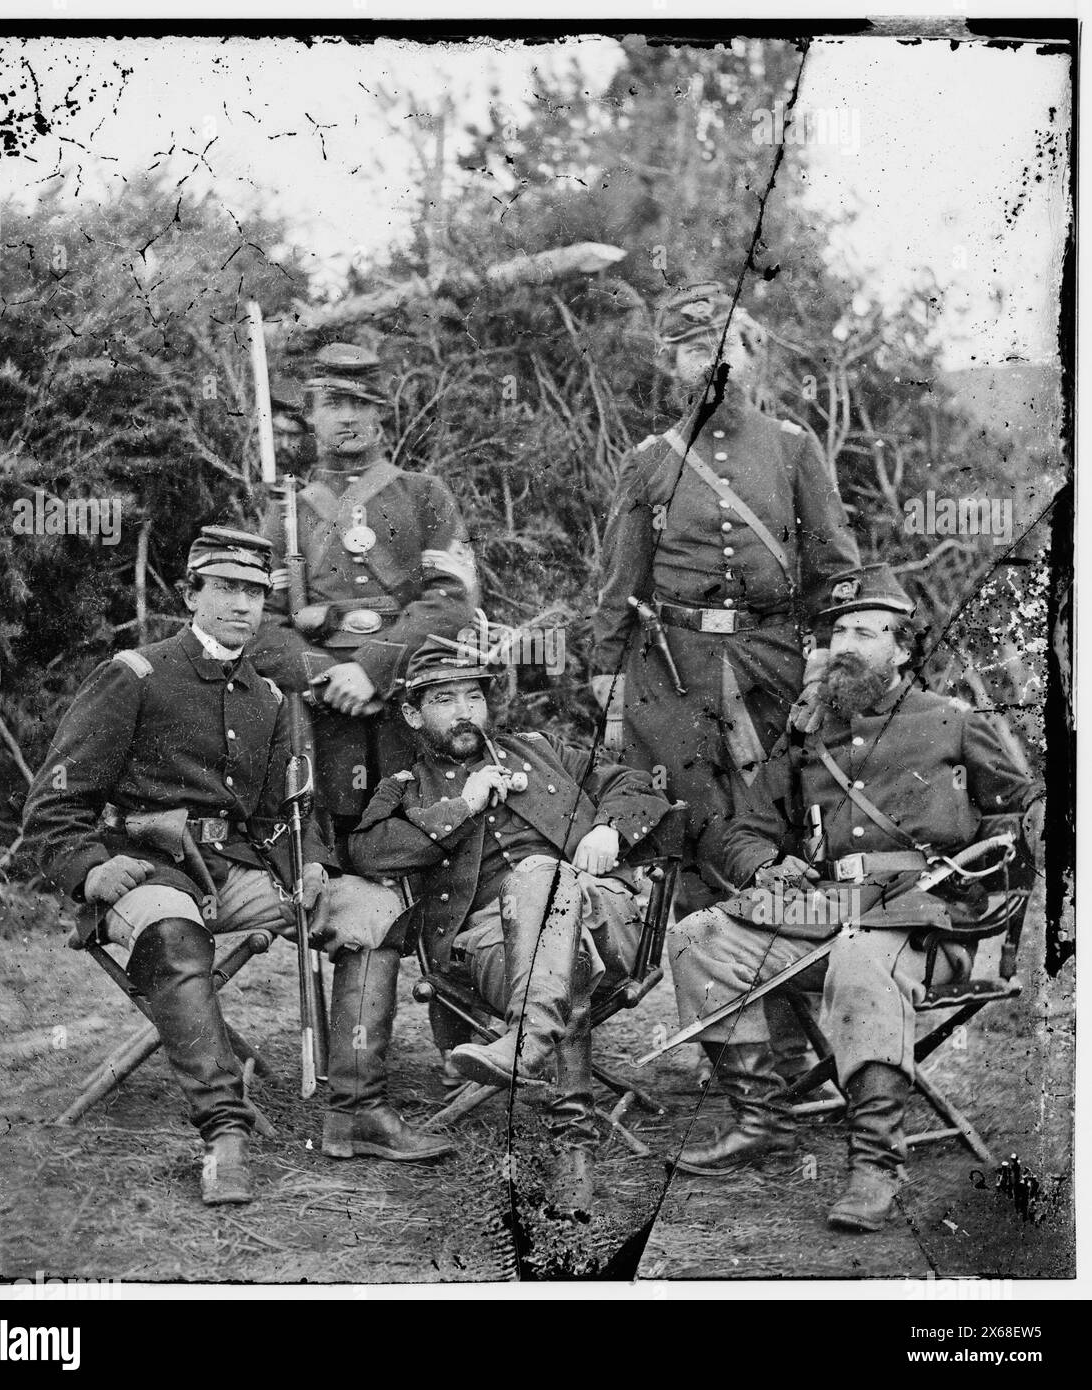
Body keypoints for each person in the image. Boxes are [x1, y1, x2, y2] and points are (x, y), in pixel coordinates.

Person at [663, 563, 1045, 1232]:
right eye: (837, 631)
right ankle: (763, 1119)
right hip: (826, 913)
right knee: (698, 936)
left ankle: (875, 1163)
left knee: (862, 953)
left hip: (934, 928)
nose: (844, 644)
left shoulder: (952, 721)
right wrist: (766, 864)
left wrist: (1001, 877)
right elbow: (743, 827)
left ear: (902, 649)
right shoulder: (807, 734)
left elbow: (1026, 807)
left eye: (865, 632)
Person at [23, 527, 339, 1205]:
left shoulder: (271, 698)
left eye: (254, 592)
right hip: (140, 868)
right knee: (172, 935)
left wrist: (309, 863)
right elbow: (55, 799)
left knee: (356, 911)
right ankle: (225, 1131)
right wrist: (87, 872)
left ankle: (359, 1101)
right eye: (224, 588)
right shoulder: (136, 674)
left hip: (230, 869)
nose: (240, 605)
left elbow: (286, 813)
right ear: (191, 593)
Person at [347, 638, 672, 1211]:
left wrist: (611, 830)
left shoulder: (544, 751)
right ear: (412, 714)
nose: (464, 710)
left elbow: (635, 783)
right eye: (444, 700)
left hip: (604, 917)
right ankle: (573, 1141)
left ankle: (523, 1045)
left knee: (540, 877)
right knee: (558, 955)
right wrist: (462, 808)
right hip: (489, 949)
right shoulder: (404, 789)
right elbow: (369, 852)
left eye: (473, 696)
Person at [590, 284, 862, 914]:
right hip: (675, 666)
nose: (713, 364)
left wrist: (824, 656)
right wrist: (607, 676)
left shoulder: (793, 448)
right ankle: (701, 959)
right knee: (685, 824)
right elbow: (620, 585)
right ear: (670, 365)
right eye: (692, 352)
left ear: (750, 352)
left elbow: (835, 567)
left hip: (772, 660)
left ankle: (788, 952)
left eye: (725, 346)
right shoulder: (649, 462)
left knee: (780, 811)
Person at [250, 341, 478, 829]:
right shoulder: (288, 511)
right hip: (322, 711)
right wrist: (328, 675)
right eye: (333, 404)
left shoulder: (423, 494)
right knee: (330, 840)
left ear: (380, 414)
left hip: (412, 694)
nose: (348, 418)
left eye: (361, 404)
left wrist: (372, 669)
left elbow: (453, 599)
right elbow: (261, 622)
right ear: (310, 415)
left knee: (429, 824)